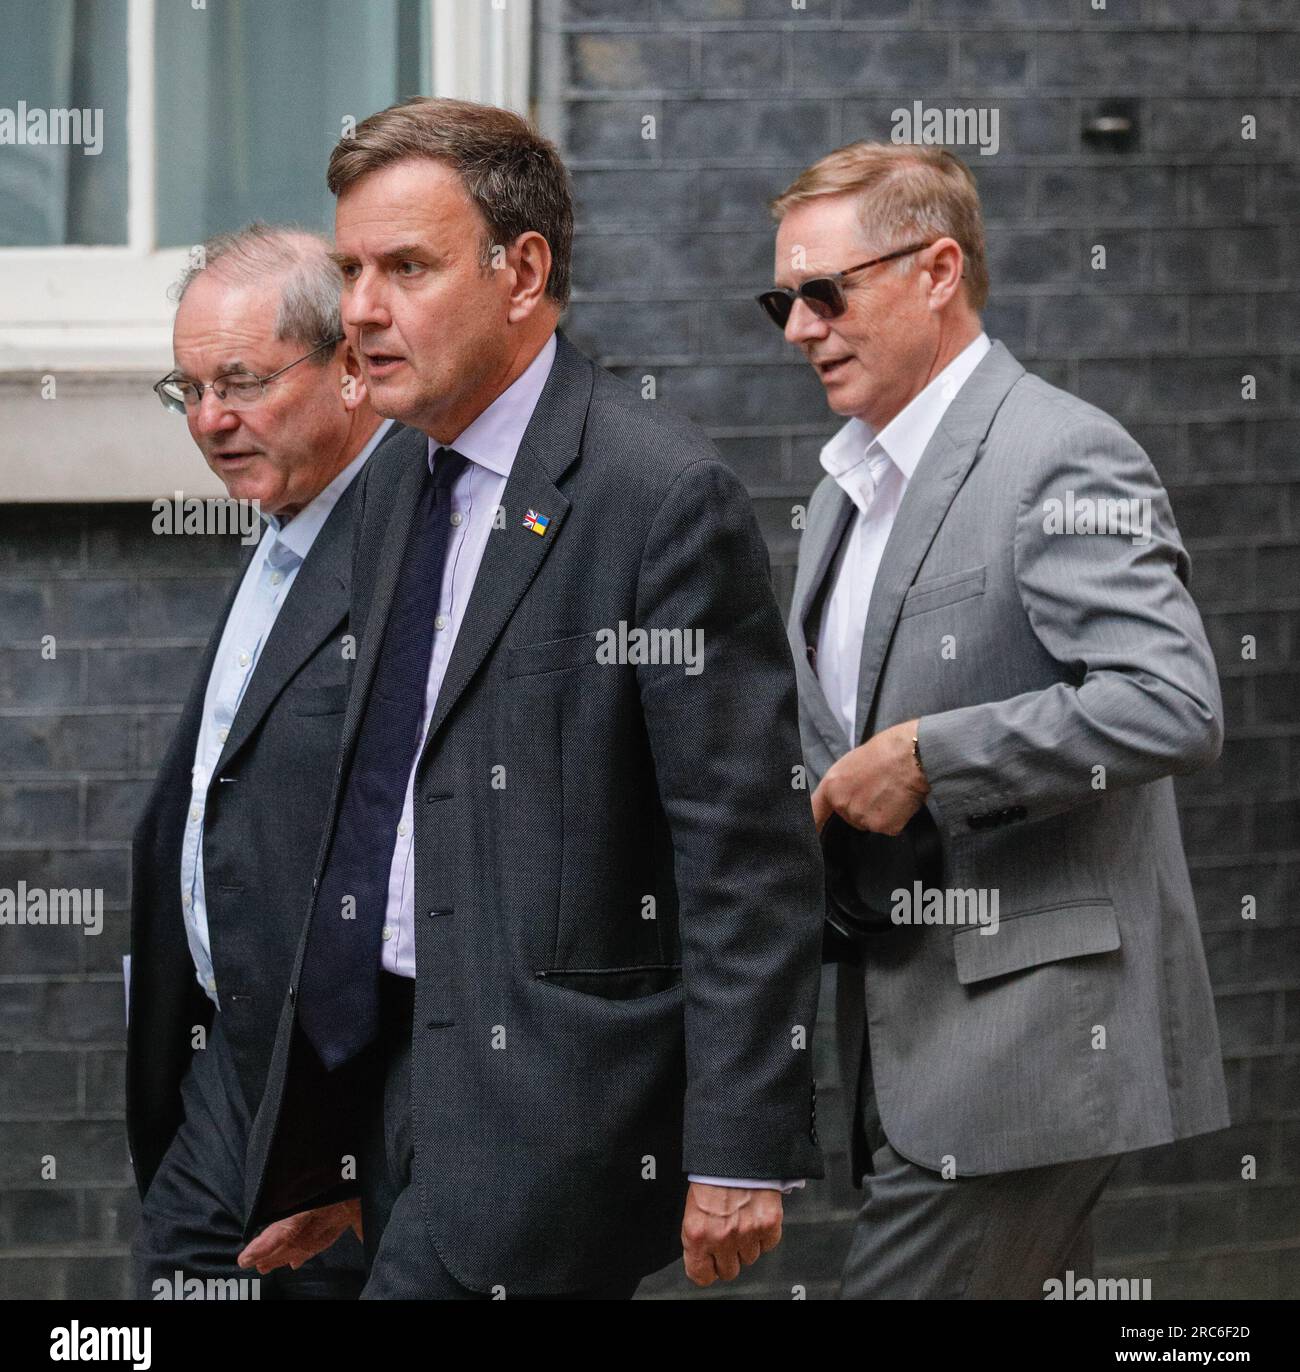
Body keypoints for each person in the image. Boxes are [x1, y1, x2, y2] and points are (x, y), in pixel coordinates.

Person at [237, 98, 825, 1299]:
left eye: (405, 266)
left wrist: (738, 1145)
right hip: (385, 1083)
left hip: (552, 1115)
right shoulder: (395, 477)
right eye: (351, 269)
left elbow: (742, 853)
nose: (360, 308)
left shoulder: (658, 495)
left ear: (523, 273)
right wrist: (325, 1121)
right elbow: (370, 804)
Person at [765, 141, 1230, 1299]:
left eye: (827, 292)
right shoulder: (841, 492)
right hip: (904, 1025)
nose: (797, 328)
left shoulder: (1056, 450)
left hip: (1027, 1043)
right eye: (782, 300)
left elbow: (1168, 699)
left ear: (935, 270)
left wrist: (933, 755)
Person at [127, 225, 395, 1299]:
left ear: (349, 368)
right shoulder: (284, 528)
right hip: (229, 1073)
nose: (209, 420)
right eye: (184, 389)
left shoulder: (415, 543)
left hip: (352, 1096)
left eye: (240, 381)